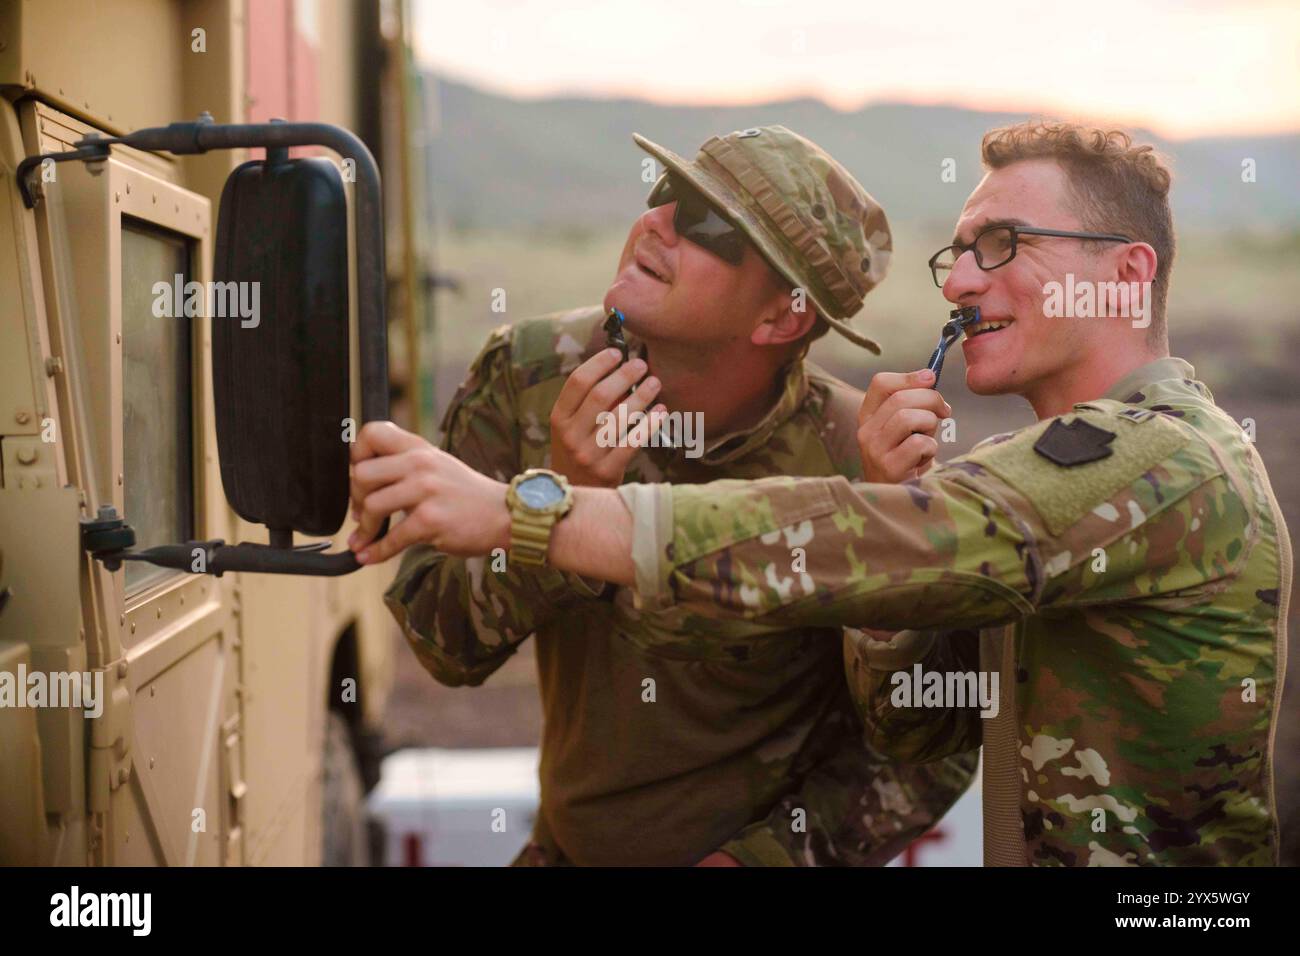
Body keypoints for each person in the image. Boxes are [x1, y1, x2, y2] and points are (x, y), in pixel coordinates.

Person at [349, 121, 1290, 866]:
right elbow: (925, 722)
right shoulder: (1043, 462)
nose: (961, 282)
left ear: (1128, 275)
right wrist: (888, 556)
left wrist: (533, 515)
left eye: (1003, 245)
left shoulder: (1162, 465)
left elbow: (873, 549)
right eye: (959, 252)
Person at [367, 125, 975, 866]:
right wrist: (561, 515)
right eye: (663, 195)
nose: (654, 224)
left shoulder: (861, 458)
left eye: (705, 223)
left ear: (783, 315)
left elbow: (932, 742)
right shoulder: (533, 375)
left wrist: (764, 861)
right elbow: (442, 647)